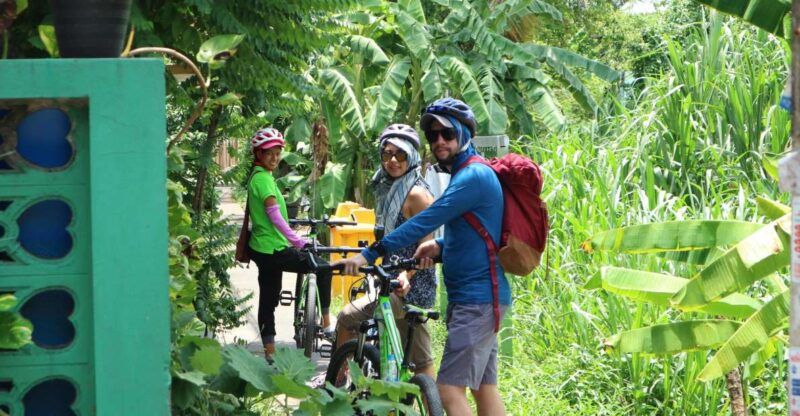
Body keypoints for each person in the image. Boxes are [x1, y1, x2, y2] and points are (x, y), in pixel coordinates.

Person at [336, 98, 510, 415]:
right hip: (481, 298)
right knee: (483, 389)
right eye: (433, 135)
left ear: (465, 134)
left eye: (447, 133)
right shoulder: (467, 174)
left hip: (477, 299)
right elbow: (474, 233)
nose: (439, 140)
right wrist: (440, 247)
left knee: (448, 390)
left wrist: (371, 253)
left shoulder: (471, 176)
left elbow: (425, 220)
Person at [334, 124, 437, 378]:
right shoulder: (386, 188)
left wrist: (405, 275)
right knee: (418, 359)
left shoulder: (416, 195)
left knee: (346, 318)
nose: (393, 160)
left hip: (411, 287)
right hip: (389, 281)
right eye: (387, 153)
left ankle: (337, 380)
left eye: (400, 154)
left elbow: (427, 247)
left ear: (411, 156)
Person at [246, 127, 335, 361]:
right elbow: (274, 216)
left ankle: (270, 354)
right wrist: (297, 241)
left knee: (268, 299)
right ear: (258, 154)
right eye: (269, 153)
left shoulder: (259, 177)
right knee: (323, 268)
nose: (274, 158)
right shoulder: (263, 180)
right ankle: (327, 324)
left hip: (262, 248)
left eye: (277, 153)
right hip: (273, 249)